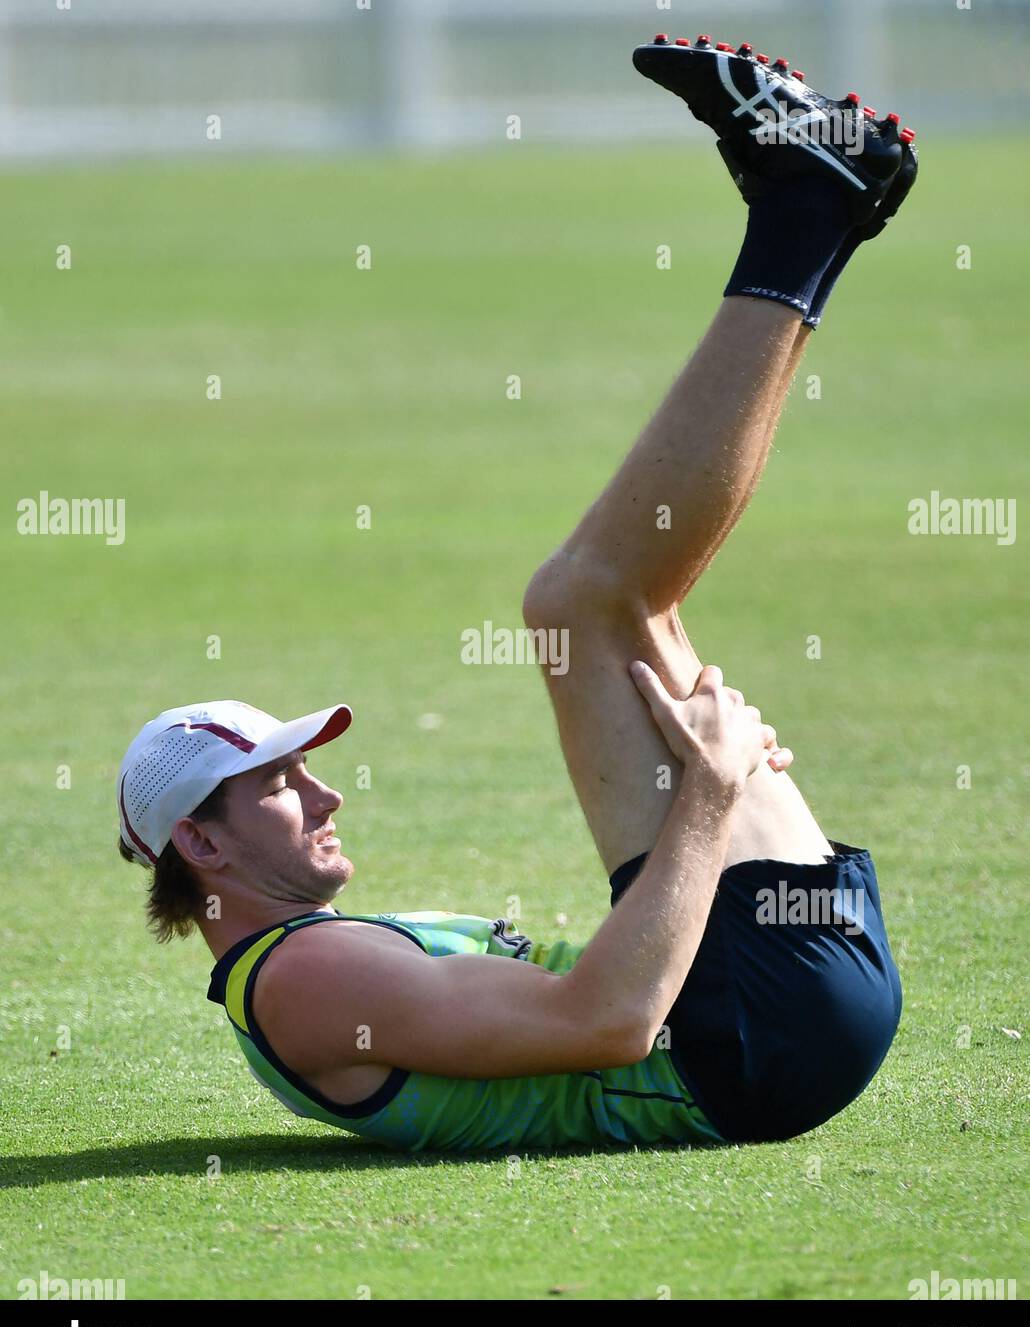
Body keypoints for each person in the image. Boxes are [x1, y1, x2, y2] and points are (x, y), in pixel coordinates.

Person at [118, 36, 912, 1153]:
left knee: (630, 608)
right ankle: (808, 212)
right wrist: (705, 795)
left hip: (771, 1014)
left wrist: (709, 794)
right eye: (283, 786)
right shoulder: (302, 975)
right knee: (582, 601)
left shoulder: (306, 958)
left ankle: (826, 206)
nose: (328, 796)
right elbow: (614, 1021)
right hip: (748, 1047)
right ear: (199, 847)